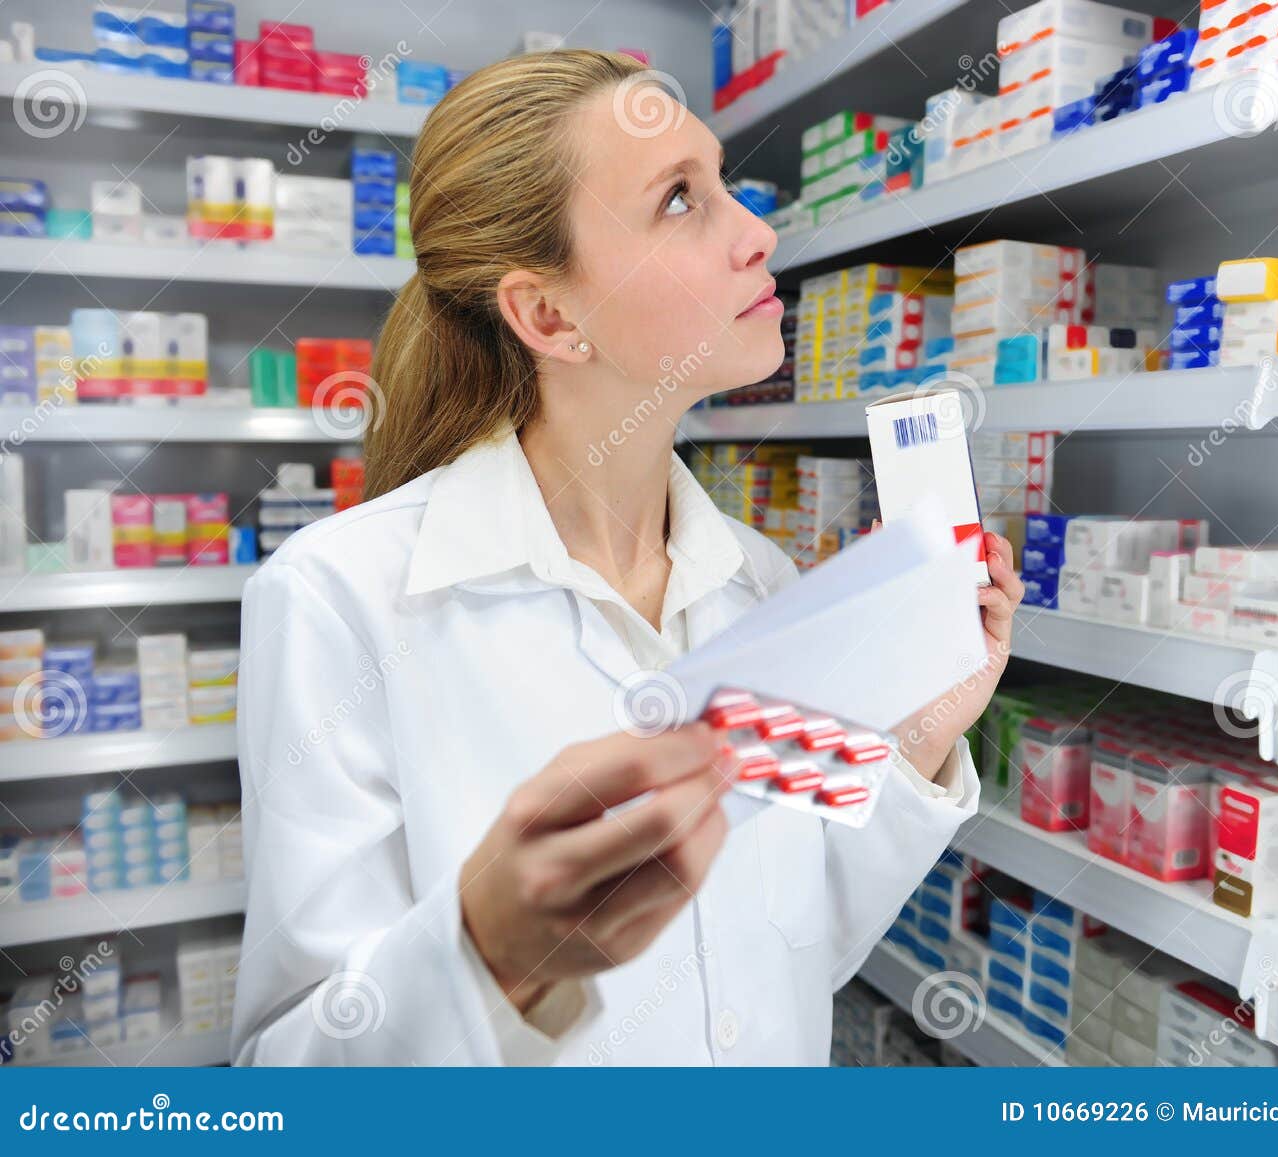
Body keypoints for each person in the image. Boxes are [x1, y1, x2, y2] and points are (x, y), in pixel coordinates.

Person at [232, 49, 1023, 1066]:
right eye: (681, 201)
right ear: (550, 315)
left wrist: (913, 737)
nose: (756, 232)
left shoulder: (760, 584)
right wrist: (487, 955)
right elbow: (286, 1065)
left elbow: (791, 952)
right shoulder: (343, 598)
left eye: (724, 182)